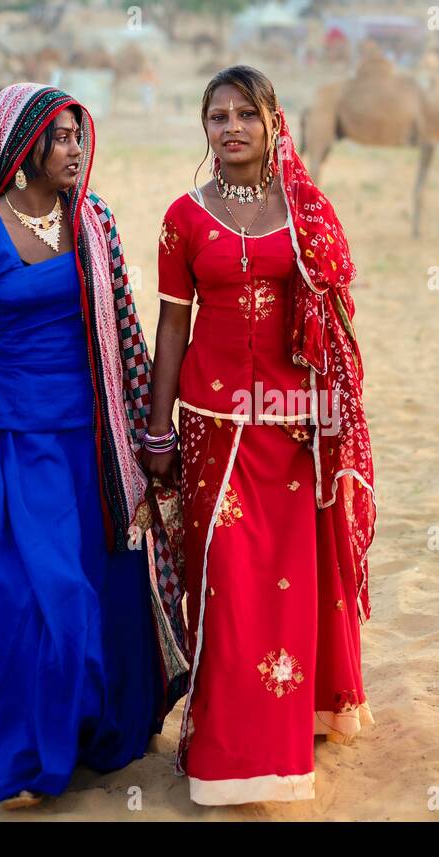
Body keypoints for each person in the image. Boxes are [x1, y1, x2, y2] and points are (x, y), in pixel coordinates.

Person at [0, 82, 188, 809]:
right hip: (11, 440)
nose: (76, 150)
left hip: (92, 442)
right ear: (25, 149)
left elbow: (121, 328)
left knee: (97, 590)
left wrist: (143, 434)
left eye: (79, 136)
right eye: (62, 138)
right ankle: (22, 755)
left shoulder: (93, 223)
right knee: (31, 599)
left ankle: (86, 737)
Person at [143, 65, 376, 805]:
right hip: (211, 428)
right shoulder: (183, 218)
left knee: (286, 590)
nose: (233, 127)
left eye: (247, 113)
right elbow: (171, 326)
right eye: (218, 116)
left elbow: (335, 325)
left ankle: (283, 742)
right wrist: (157, 427)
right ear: (204, 128)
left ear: (275, 122)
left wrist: (330, 419)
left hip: (294, 427)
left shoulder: (308, 212)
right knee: (227, 586)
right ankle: (227, 753)